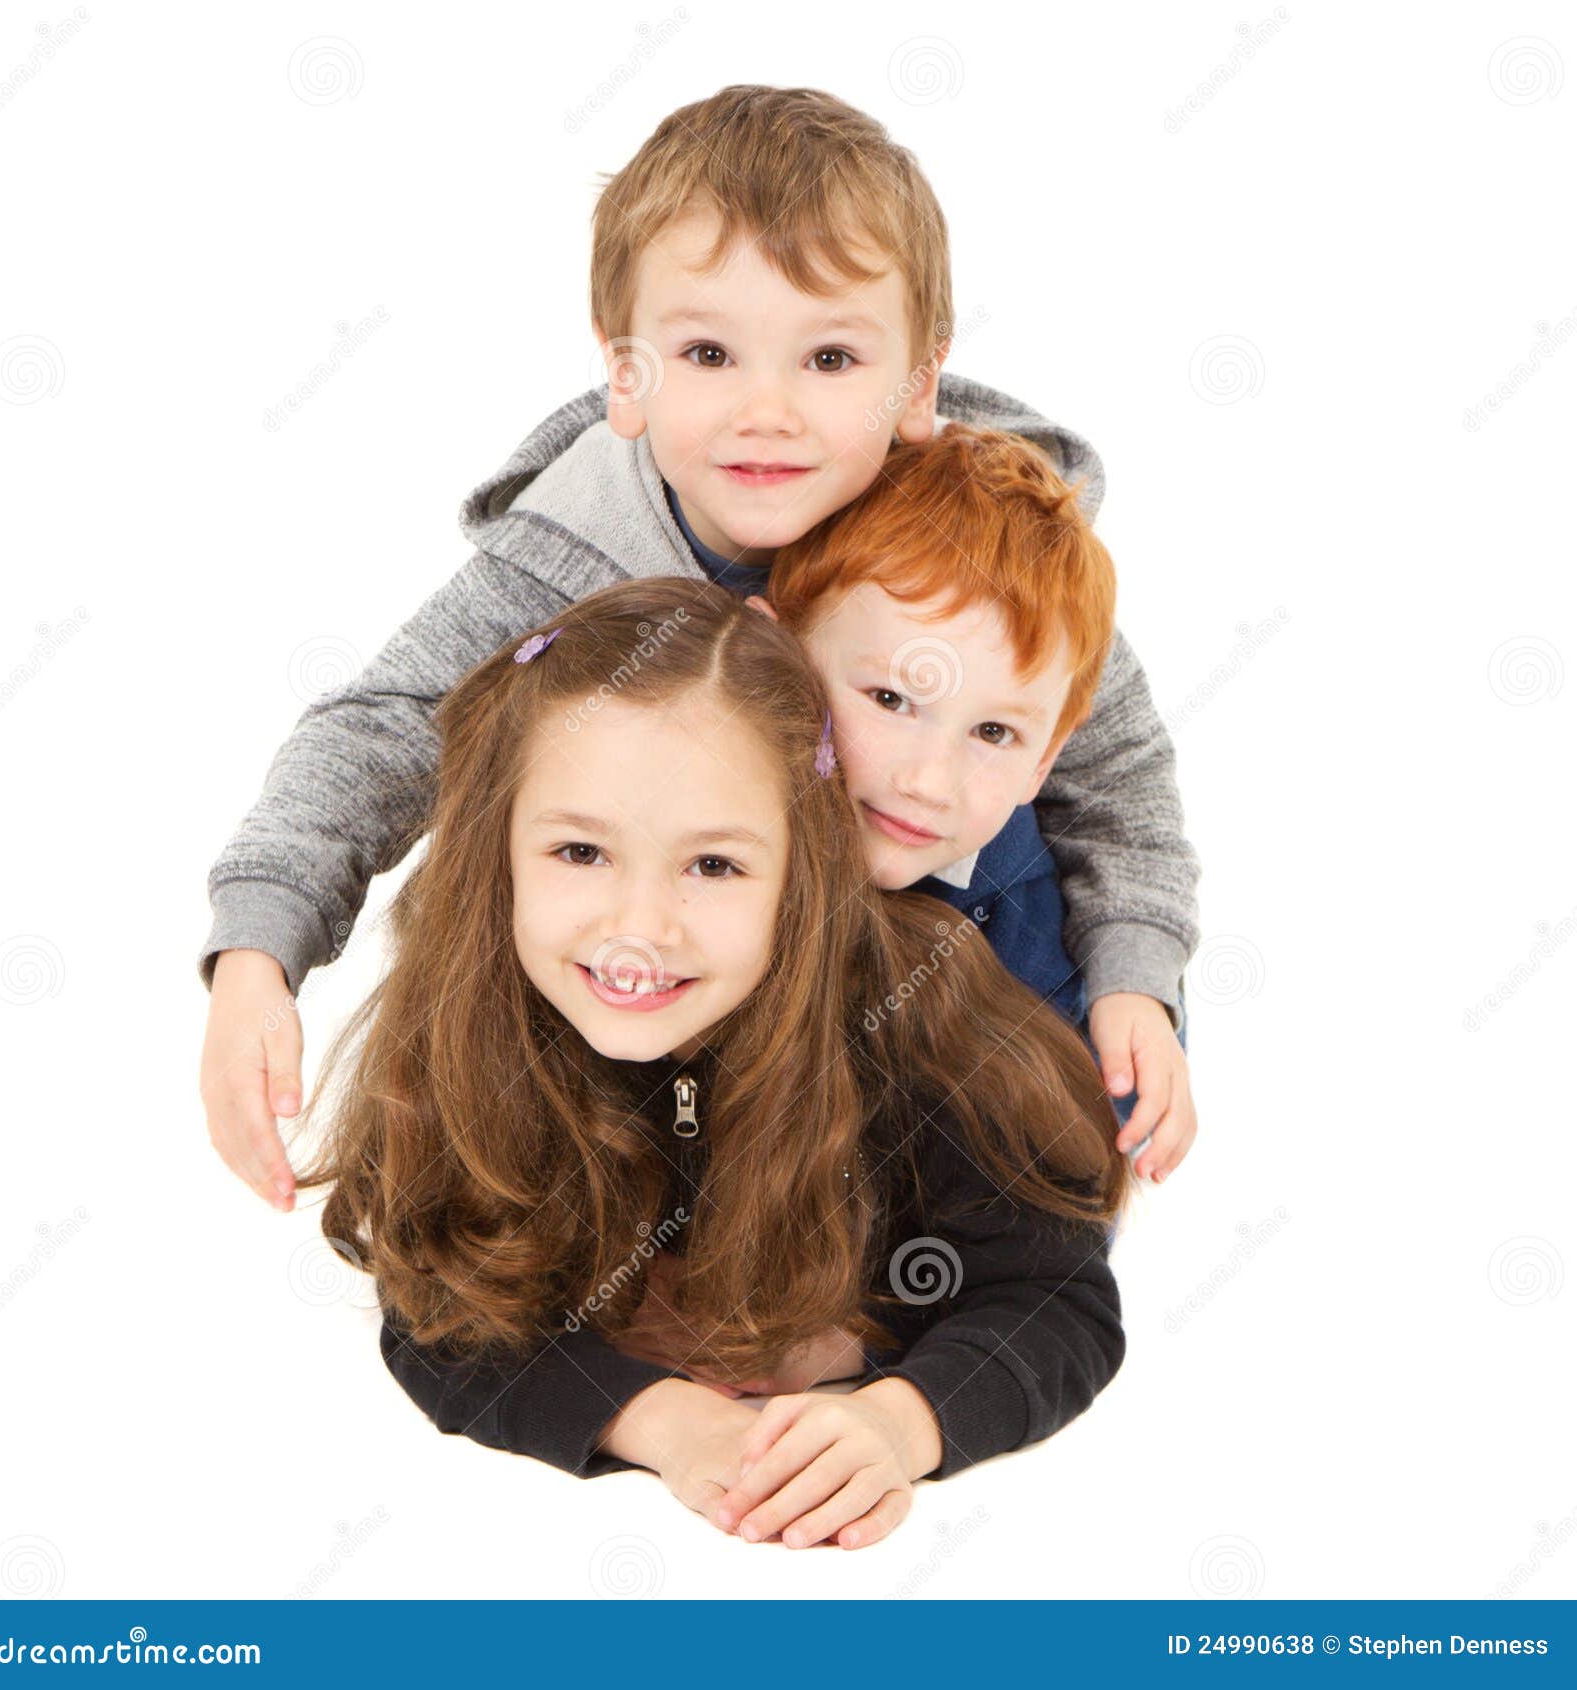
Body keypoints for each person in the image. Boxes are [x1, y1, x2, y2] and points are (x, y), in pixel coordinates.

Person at [198, 84, 1200, 1218]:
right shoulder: (572, 561)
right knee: (536, 819)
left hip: (960, 956)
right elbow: (381, 731)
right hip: (691, 965)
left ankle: (954, 1274)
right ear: (626, 373)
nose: (765, 410)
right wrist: (258, 953)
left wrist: (1136, 982)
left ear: (915, 382)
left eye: (828, 360)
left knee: (1006, 1172)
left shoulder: (988, 558)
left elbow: (1112, 778)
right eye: (709, 353)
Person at [289, 579, 1128, 1551]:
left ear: (802, 868)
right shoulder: (477, 1027)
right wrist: (665, 1421)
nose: (640, 928)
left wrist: (901, 1421)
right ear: (498, 857)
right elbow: (437, 1294)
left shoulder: (922, 1027)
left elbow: (1053, 1299)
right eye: (578, 850)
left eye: (714, 866)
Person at [759, 421, 1196, 1180]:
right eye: (890, 699)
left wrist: (1132, 994)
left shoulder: (1040, 963)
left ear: (1047, 762)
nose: (929, 781)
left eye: (993, 732)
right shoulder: (693, 865)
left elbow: (1051, 1239)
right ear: (773, 656)